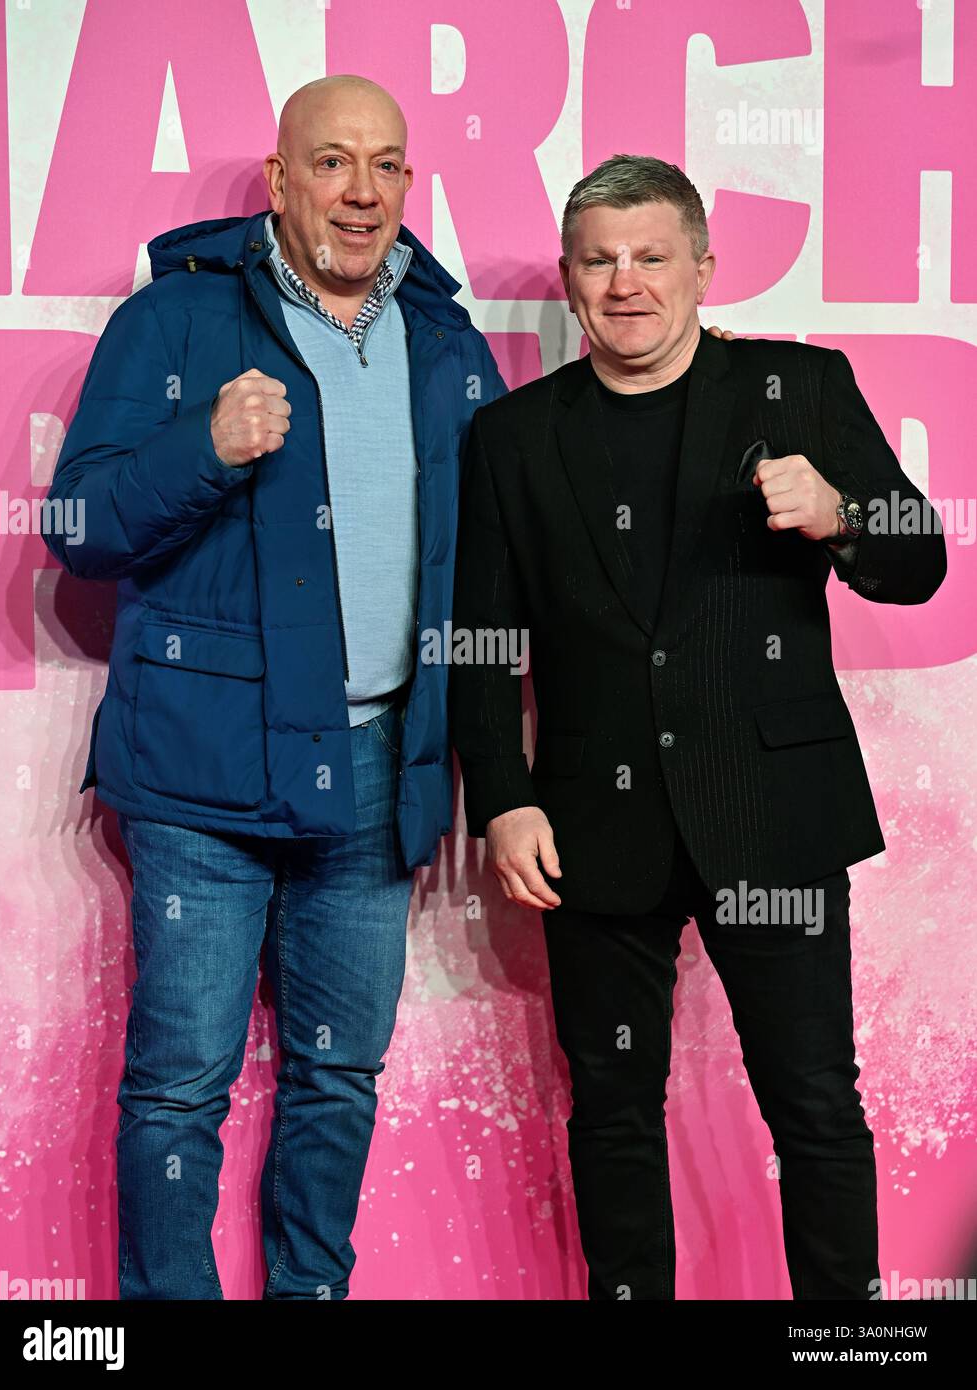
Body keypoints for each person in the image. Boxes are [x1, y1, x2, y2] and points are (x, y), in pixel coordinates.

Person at [448, 154, 947, 1300]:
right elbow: (477, 636)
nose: (625, 283)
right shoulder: (512, 438)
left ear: (701, 268)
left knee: (814, 1103)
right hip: (585, 824)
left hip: (771, 813)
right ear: (569, 282)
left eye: (650, 257)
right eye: (598, 260)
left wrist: (839, 515)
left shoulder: (798, 389)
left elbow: (915, 558)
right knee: (612, 1109)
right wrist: (505, 794)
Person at [44, 74, 508, 1300]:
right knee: (179, 1084)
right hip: (199, 770)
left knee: (336, 1073)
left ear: (408, 183)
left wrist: (693, 398)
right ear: (280, 178)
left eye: (386, 166)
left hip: (380, 764)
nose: (362, 192)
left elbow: (524, 527)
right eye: (333, 162)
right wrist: (201, 447)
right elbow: (79, 524)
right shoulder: (175, 322)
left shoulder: (450, 342)